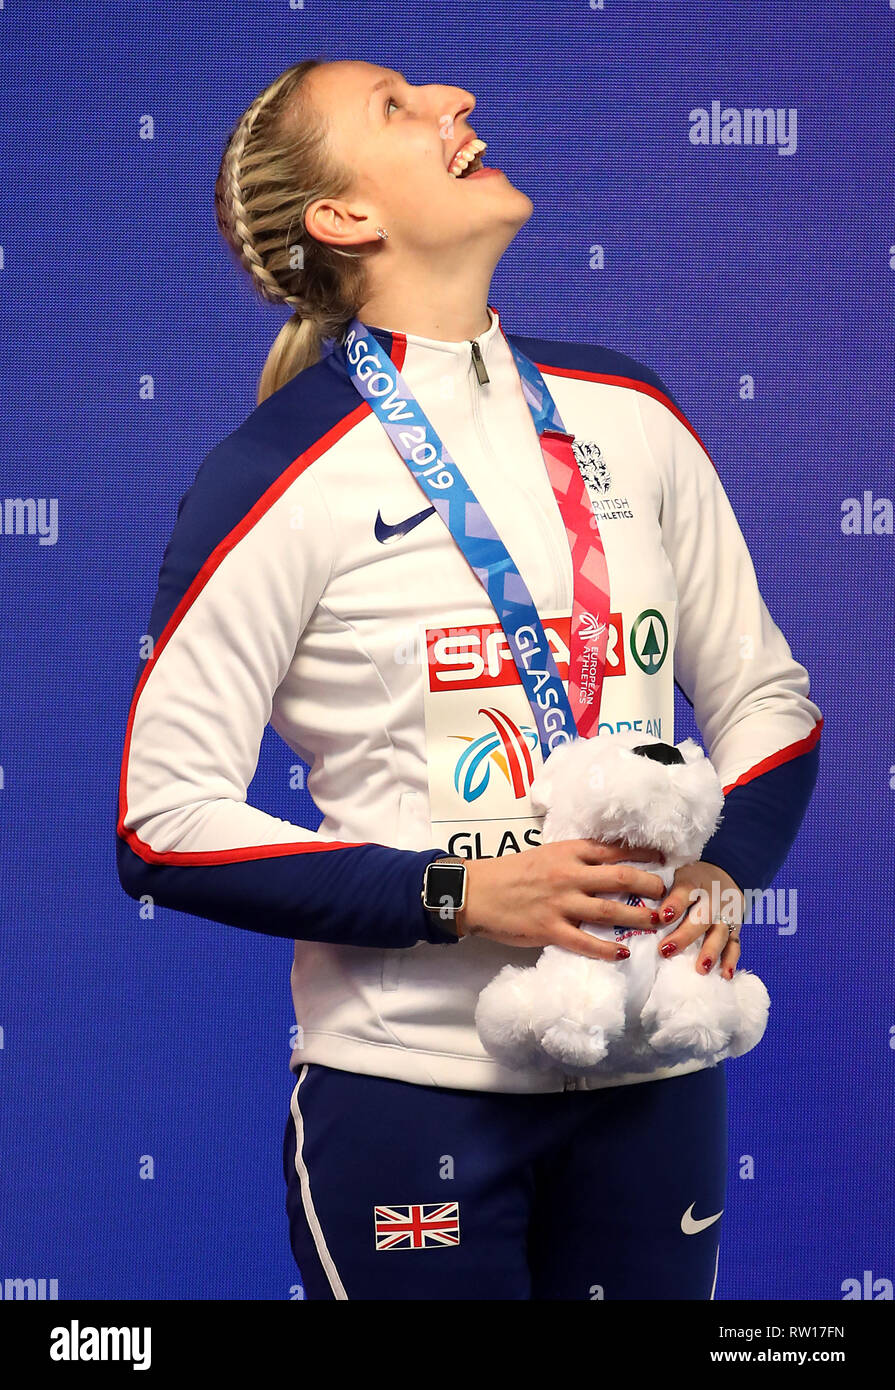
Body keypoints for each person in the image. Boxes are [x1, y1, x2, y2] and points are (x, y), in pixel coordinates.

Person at [116, 56, 823, 1301]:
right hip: (408, 1094)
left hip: (654, 1077)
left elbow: (770, 698)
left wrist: (724, 869)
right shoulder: (275, 472)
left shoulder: (630, 411)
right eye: (396, 107)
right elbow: (162, 824)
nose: (457, 104)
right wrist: (462, 894)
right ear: (345, 216)